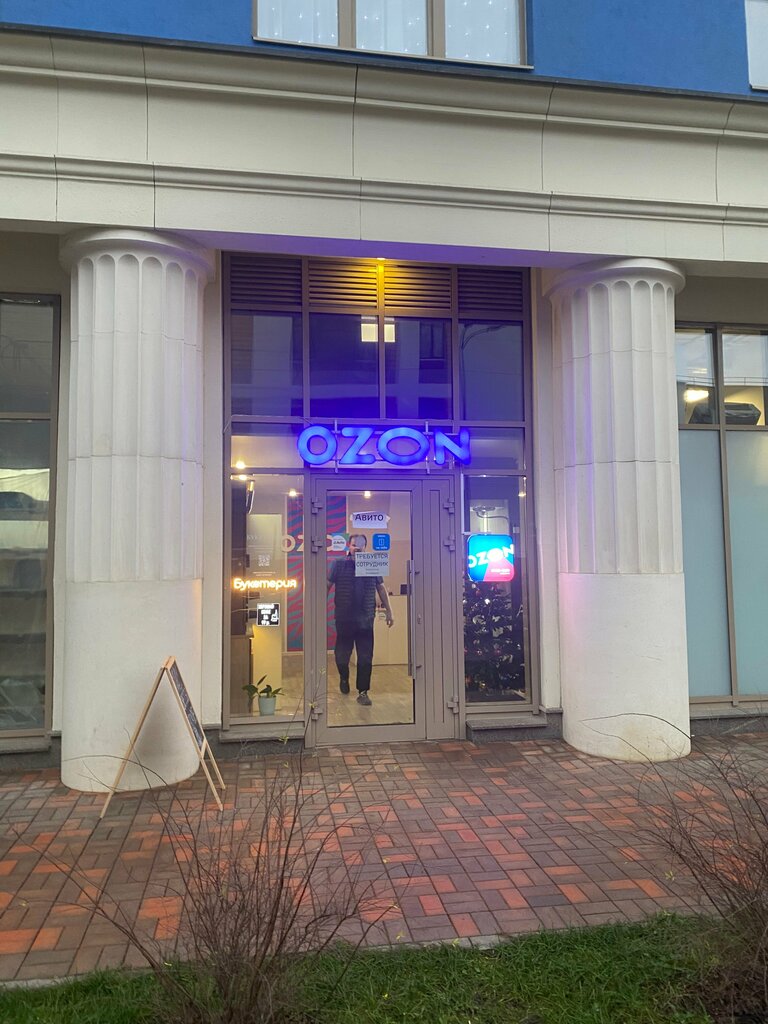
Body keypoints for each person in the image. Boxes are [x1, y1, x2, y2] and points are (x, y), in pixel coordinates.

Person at [327, 534, 393, 706]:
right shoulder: (338, 564)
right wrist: (318, 609)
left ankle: (363, 692)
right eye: (354, 544)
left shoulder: (372, 562)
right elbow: (327, 586)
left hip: (365, 618)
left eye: (361, 545)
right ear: (349, 546)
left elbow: (381, 588)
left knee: (365, 658)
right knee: (342, 656)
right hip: (344, 618)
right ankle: (344, 677)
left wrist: (389, 611)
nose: (357, 547)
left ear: (365, 547)